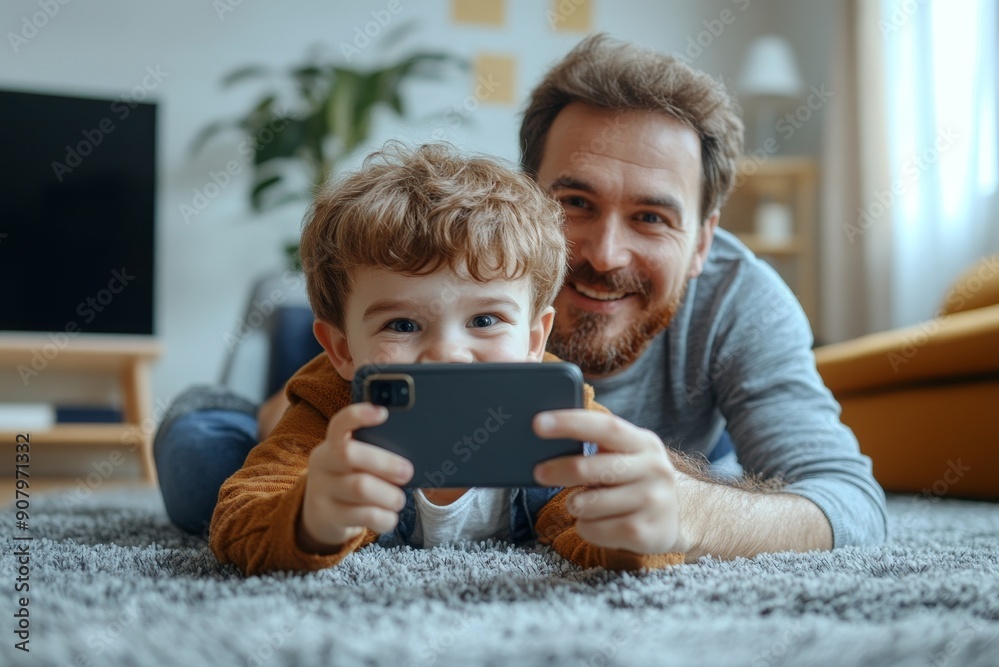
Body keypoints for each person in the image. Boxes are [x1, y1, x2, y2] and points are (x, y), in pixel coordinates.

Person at [156, 34, 886, 564]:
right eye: (574, 200)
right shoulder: (393, 323)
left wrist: (691, 510)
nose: (602, 253)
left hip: (647, 466)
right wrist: (302, 467)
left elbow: (851, 504)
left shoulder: (744, 301)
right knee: (201, 466)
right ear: (526, 197)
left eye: (652, 217)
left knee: (717, 487)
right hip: (340, 377)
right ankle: (276, 387)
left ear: (702, 241)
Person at [207, 142, 688, 575]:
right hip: (290, 414)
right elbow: (237, 521)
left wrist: (639, 535)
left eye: (484, 321)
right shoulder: (328, 412)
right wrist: (311, 519)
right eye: (402, 325)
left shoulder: (564, 420)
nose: (448, 354)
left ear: (535, 339)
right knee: (198, 461)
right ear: (342, 349)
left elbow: (603, 536)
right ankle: (232, 414)